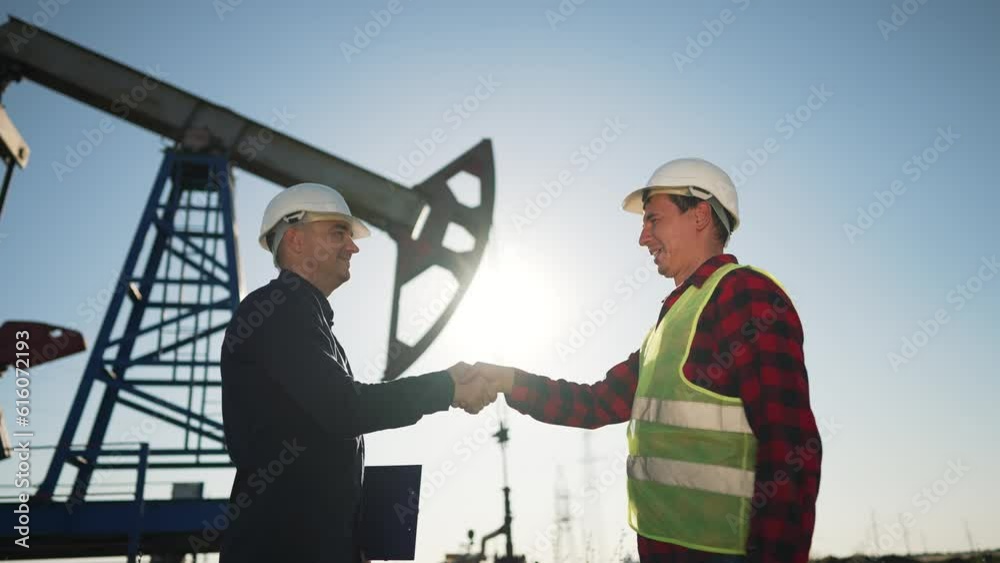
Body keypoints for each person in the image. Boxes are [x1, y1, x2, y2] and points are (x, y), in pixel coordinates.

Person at [465, 158, 822, 563]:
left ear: (701, 215)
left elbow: (792, 445)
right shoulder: (669, 325)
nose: (643, 238)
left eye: (654, 220)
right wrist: (509, 380)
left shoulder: (746, 296)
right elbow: (596, 402)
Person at [219, 183, 489, 563]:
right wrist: (445, 388)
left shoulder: (308, 321)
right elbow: (345, 409)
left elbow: (327, 427)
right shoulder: (276, 309)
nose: (353, 246)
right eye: (337, 233)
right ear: (295, 241)